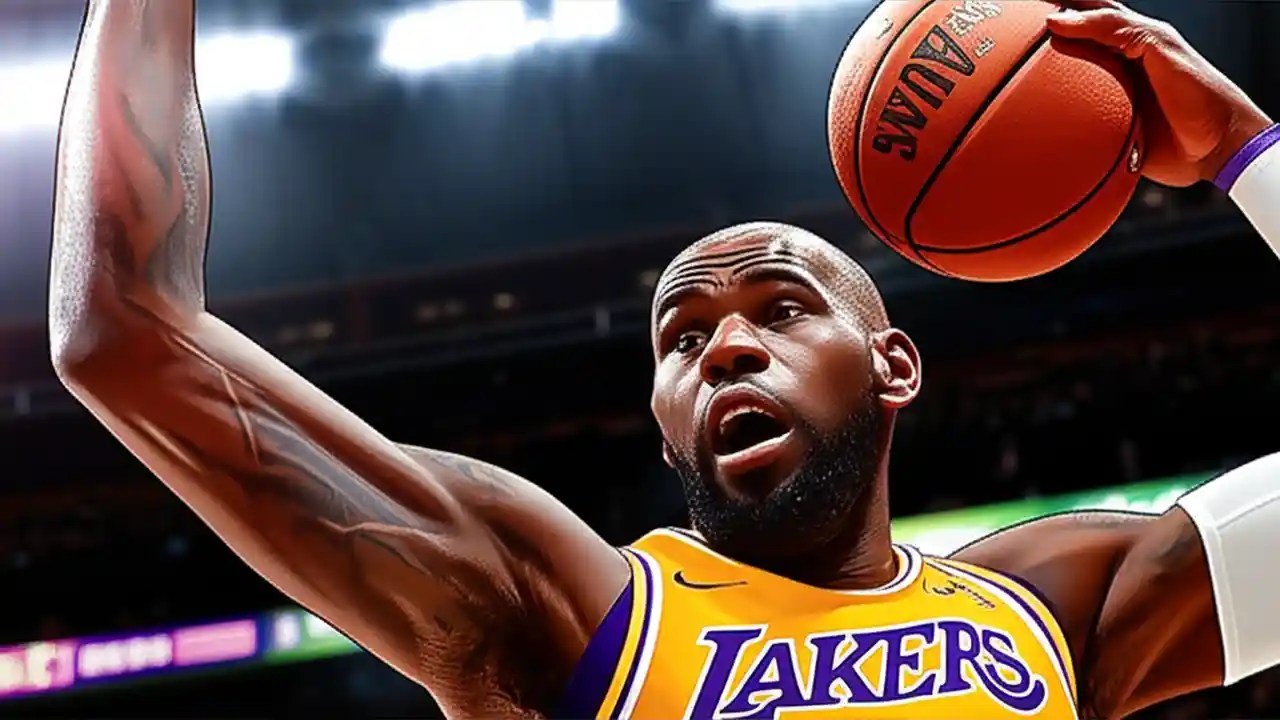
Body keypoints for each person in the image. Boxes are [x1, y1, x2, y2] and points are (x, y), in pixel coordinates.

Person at [47, 0, 1280, 717]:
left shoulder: (1059, 605)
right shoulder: (558, 606)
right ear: (661, 418)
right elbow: (123, 332)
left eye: (781, 309)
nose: (727, 344)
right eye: (681, 339)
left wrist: (1239, 146)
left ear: (892, 364)